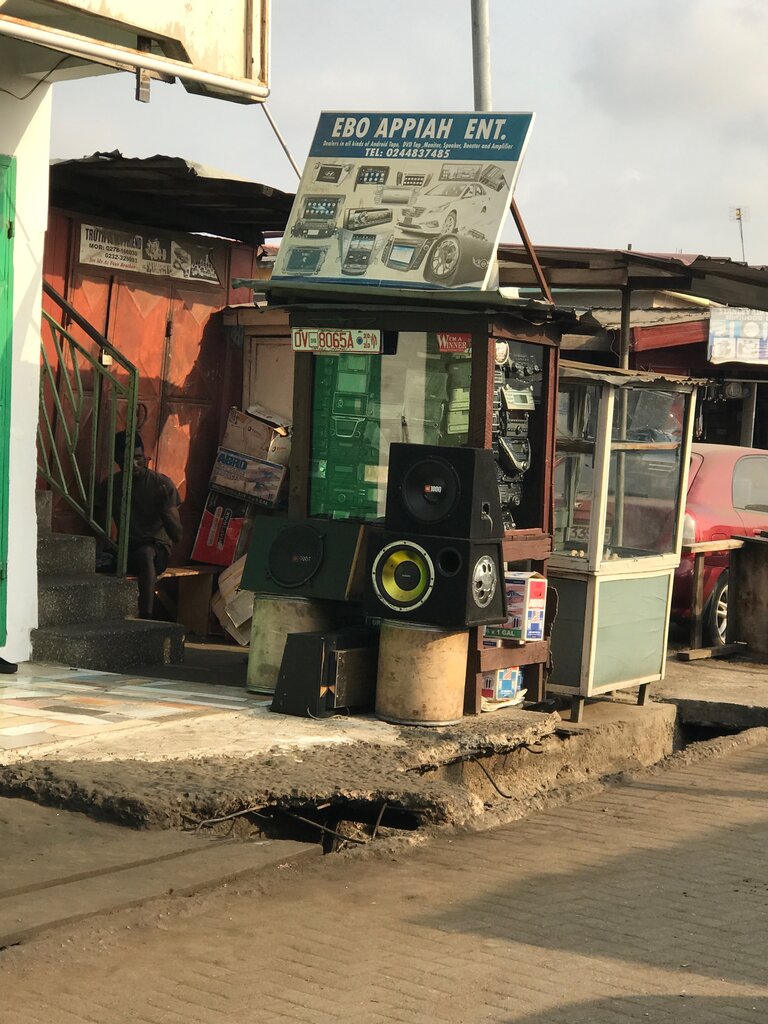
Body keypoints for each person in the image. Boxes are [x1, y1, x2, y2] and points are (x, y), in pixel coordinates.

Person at [100, 431, 183, 619]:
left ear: (145, 457)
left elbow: (177, 535)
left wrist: (164, 509)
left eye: (139, 458)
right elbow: (99, 521)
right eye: (127, 460)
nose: (135, 465)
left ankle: (146, 615)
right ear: (118, 461)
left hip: (156, 550)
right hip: (125, 548)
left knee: (146, 553)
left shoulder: (160, 484)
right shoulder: (111, 485)